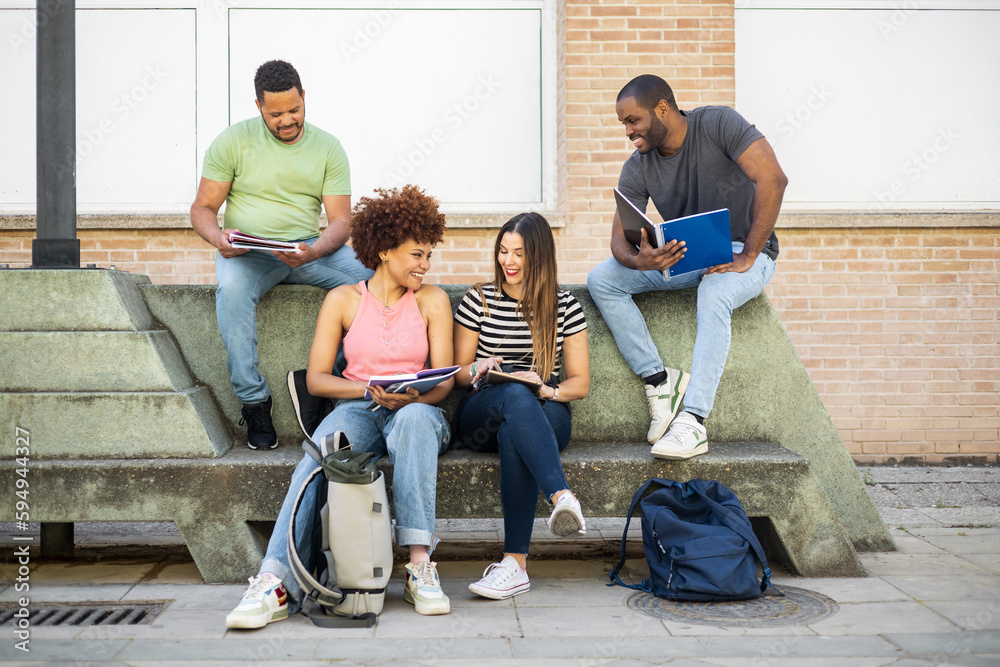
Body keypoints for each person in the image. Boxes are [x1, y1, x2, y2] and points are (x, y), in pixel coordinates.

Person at [225, 185, 454, 628]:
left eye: (429, 256)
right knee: (321, 451)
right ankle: (275, 582)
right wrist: (370, 390)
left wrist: (411, 396)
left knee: (413, 422)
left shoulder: (432, 300)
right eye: (417, 255)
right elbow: (318, 379)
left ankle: (419, 566)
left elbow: (442, 383)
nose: (426, 266)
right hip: (360, 405)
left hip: (418, 411)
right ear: (385, 251)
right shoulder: (343, 300)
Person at [587, 74, 788, 460]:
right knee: (602, 279)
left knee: (714, 292)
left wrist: (748, 254)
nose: (628, 131)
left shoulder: (719, 124)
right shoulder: (638, 166)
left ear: (662, 108)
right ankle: (659, 380)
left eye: (633, 121)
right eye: (623, 124)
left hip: (746, 254)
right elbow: (618, 241)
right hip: (683, 257)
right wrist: (639, 258)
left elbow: (773, 178)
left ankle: (693, 420)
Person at [190, 59, 372, 450]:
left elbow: (341, 222)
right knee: (233, 292)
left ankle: (330, 386)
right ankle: (254, 401)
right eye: (276, 114)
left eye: (294, 110)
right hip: (250, 254)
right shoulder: (232, 141)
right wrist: (217, 238)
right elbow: (202, 209)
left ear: (304, 98)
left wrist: (311, 252)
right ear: (259, 107)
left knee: (375, 282)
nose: (287, 120)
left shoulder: (328, 147)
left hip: (310, 249)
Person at [452, 212, 590, 600]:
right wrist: (480, 366)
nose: (508, 261)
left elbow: (580, 383)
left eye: (519, 253)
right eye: (503, 251)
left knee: (519, 421)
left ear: (540, 256)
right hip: (484, 410)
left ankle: (515, 565)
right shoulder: (479, 300)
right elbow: (457, 375)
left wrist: (545, 389)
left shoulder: (565, 307)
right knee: (513, 397)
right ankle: (562, 496)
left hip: (545, 411)